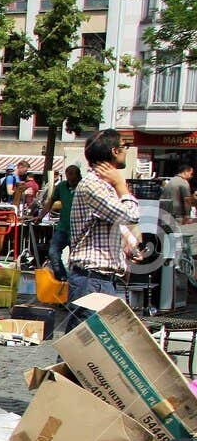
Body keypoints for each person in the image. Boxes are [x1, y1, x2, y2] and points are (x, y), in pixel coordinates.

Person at [64, 129, 143, 332]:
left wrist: (126, 245)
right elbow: (130, 215)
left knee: (97, 343)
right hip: (92, 279)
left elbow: (112, 223)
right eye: (125, 147)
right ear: (115, 151)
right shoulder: (93, 185)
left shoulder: (105, 187)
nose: (127, 151)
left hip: (101, 279)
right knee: (84, 342)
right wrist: (122, 185)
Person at [44, 165, 82, 276]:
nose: (71, 182)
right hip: (63, 227)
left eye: (73, 180)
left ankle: (73, 279)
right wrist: (40, 216)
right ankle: (62, 276)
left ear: (79, 177)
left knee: (75, 259)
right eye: (69, 179)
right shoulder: (62, 186)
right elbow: (51, 201)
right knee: (53, 252)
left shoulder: (84, 187)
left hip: (79, 230)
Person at [162, 159, 194, 225]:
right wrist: (187, 215)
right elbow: (187, 200)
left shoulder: (170, 181)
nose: (191, 176)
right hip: (177, 215)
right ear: (185, 172)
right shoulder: (184, 182)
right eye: (191, 173)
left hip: (166, 213)